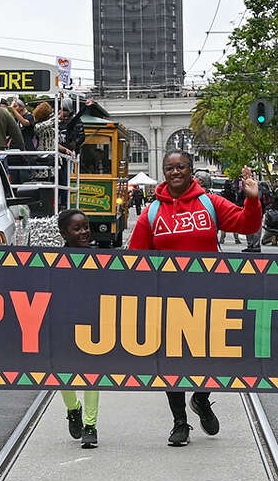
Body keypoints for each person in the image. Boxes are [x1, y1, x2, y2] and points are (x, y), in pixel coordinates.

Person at [128, 149, 262, 446]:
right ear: (164, 172)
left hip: (210, 297)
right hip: (168, 300)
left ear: (191, 170)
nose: (175, 172)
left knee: (214, 357)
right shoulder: (151, 213)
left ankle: (201, 399)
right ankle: (180, 423)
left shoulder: (209, 203)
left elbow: (247, 225)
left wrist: (252, 199)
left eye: (181, 167)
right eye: (169, 168)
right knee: (172, 362)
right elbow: (135, 260)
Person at [53, 209, 103, 449]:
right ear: (64, 233)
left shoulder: (100, 259)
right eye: (77, 228)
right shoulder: (54, 262)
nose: (84, 232)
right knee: (64, 374)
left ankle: (91, 426)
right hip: (64, 324)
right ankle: (73, 409)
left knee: (92, 374)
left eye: (86, 226)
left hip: (91, 325)